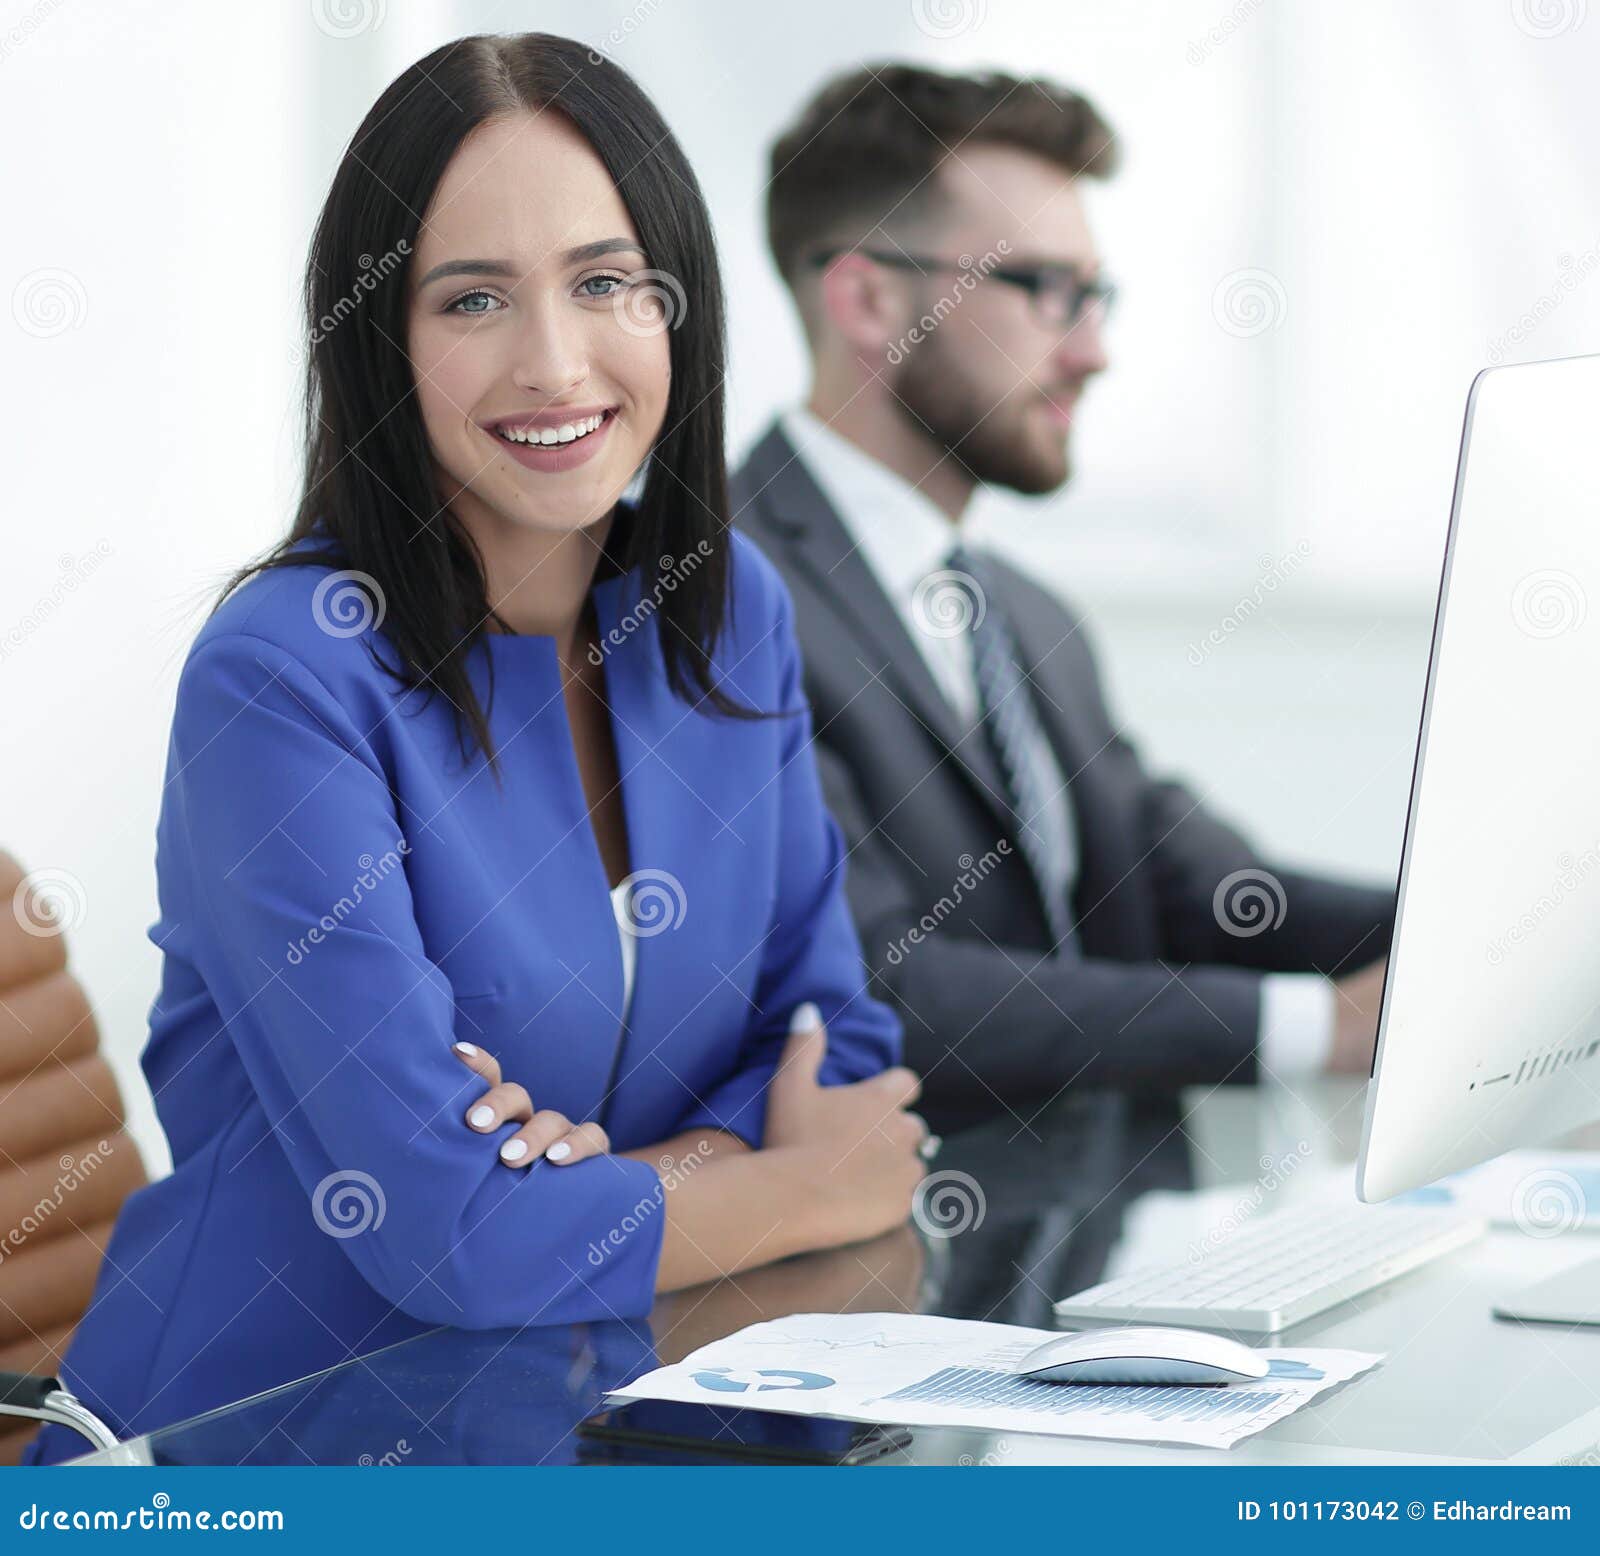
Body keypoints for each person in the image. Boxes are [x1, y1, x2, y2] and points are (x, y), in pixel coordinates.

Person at [23, 33, 926, 1464]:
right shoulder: (283, 675)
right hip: (257, 1447)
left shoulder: (724, 608)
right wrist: (810, 1185)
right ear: (378, 340)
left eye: (605, 281)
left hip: (586, 1417)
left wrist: (637, 1181)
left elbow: (836, 1042)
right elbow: (448, 1232)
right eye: (473, 298)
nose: (553, 361)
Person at [733, 64, 1395, 1323]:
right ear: (869, 299)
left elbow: (1179, 877)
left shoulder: (1023, 615)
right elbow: (876, 989)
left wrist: (1483, 939)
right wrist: (1315, 1026)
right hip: (845, 1315)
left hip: (1051, 1289)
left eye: (1096, 296)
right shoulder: (712, 591)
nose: (1090, 350)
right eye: (1044, 289)